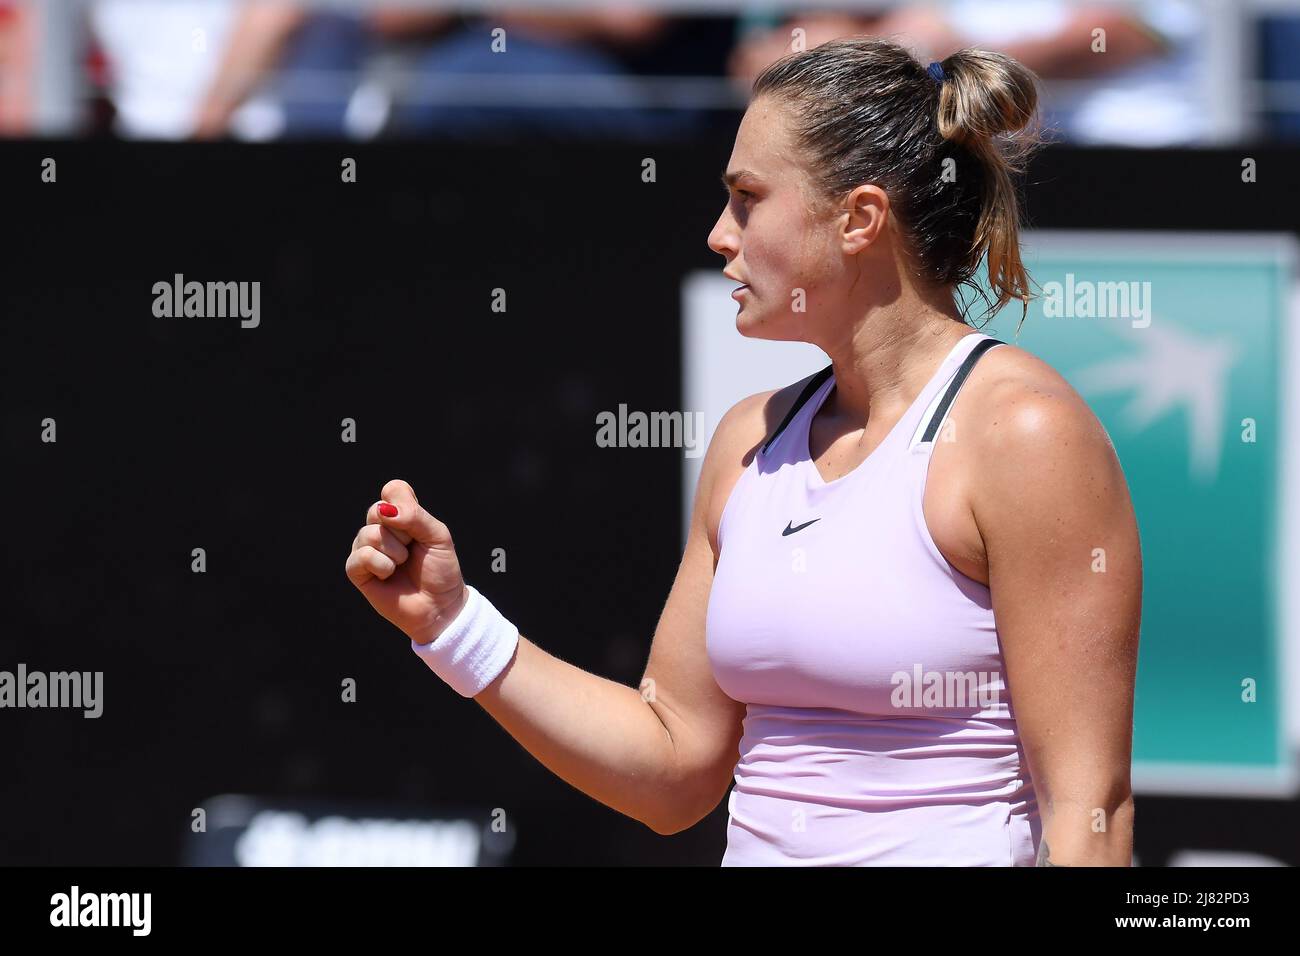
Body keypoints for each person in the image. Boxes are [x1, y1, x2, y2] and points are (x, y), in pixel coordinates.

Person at [345, 36, 1142, 865]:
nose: (719, 234)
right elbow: (673, 769)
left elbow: (1091, 813)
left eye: (748, 198)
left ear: (860, 218)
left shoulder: (1025, 434)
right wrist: (451, 623)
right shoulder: (747, 441)